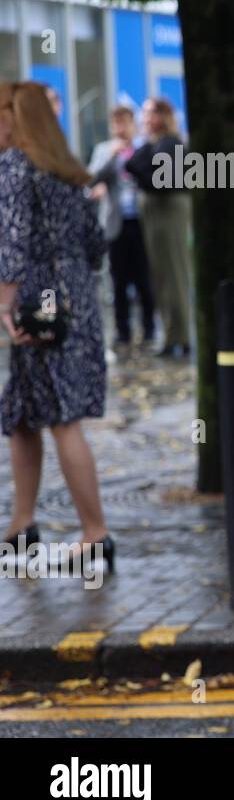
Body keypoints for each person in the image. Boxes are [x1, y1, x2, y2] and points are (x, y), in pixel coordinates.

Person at [0, 82, 113, 573]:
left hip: (33, 303)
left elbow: (12, 241)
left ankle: (95, 533)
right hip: (76, 300)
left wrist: (6, 309)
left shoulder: (14, 166)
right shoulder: (69, 173)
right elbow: (95, 247)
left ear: (15, 119)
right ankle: (21, 526)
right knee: (25, 416)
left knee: (63, 419)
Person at [124, 96, 190, 358]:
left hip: (168, 210)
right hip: (155, 210)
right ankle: (171, 335)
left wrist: (142, 168)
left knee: (174, 273)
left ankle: (181, 337)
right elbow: (135, 166)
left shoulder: (170, 143)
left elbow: (156, 178)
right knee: (161, 276)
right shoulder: (154, 144)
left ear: (164, 116)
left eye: (150, 114)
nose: (145, 119)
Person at [88, 106, 155, 350]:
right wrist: (112, 157)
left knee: (144, 279)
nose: (120, 127)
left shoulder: (142, 149)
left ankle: (149, 328)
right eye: (116, 123)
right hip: (115, 222)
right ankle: (122, 330)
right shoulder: (104, 150)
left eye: (124, 122)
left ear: (132, 124)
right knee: (118, 280)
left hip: (141, 221)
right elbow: (92, 178)